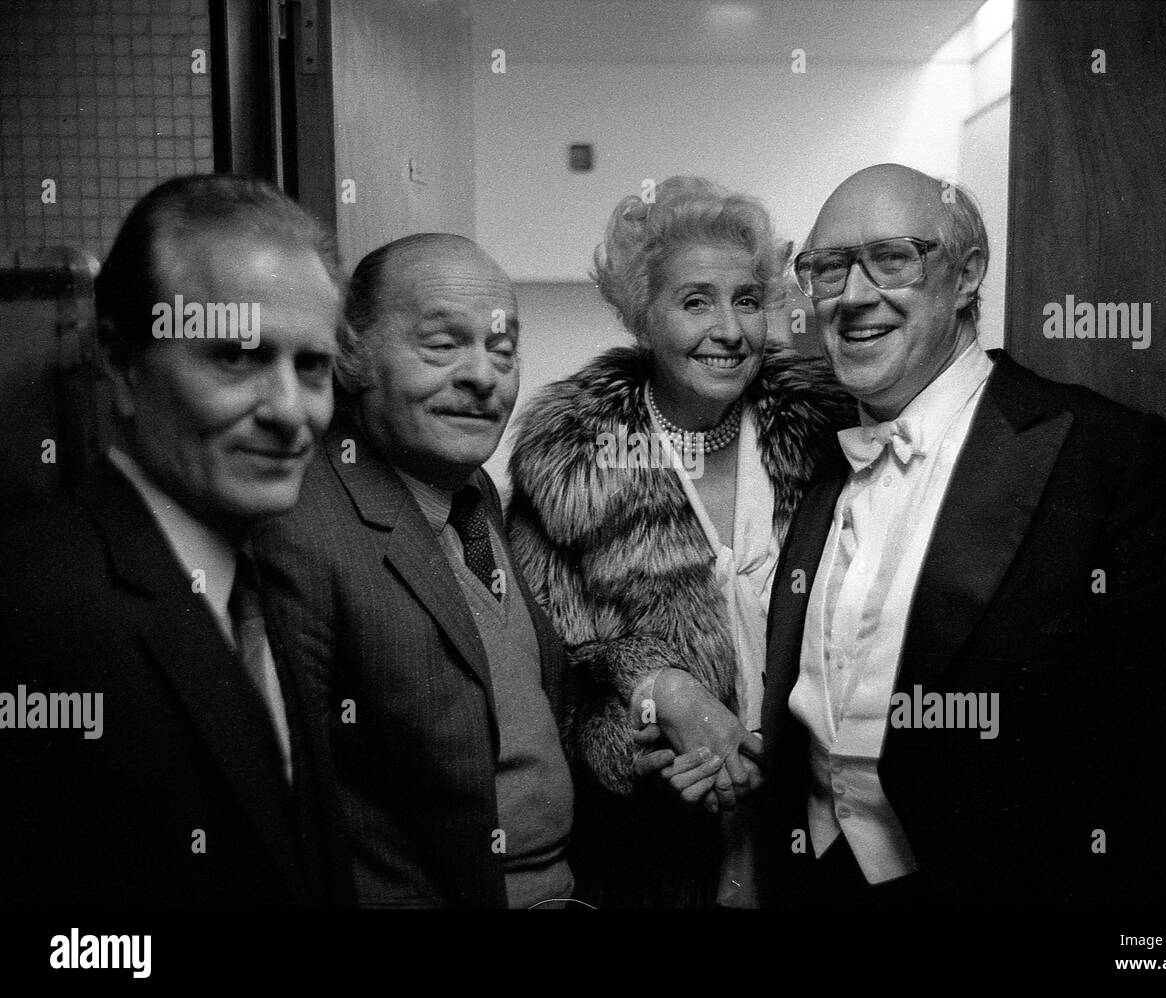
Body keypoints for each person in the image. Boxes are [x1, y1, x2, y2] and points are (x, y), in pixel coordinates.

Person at [756, 163, 1166, 907]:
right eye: (827, 268)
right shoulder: (817, 457)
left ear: (968, 274)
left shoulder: (1103, 457)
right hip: (814, 880)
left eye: (892, 258)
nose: (852, 296)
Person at [0, 174, 351, 907]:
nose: (291, 412)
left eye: (311, 366)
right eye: (236, 358)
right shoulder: (32, 608)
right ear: (120, 365)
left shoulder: (258, 585)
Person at [507, 176, 857, 907]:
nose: (728, 329)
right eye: (696, 301)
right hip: (657, 857)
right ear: (644, 315)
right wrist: (650, 717)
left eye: (748, 300)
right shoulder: (570, 465)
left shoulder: (830, 439)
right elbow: (561, 684)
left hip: (826, 837)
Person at [252, 233, 573, 908]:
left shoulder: (471, 488)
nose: (483, 375)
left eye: (502, 348)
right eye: (443, 344)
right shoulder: (302, 528)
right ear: (353, 352)